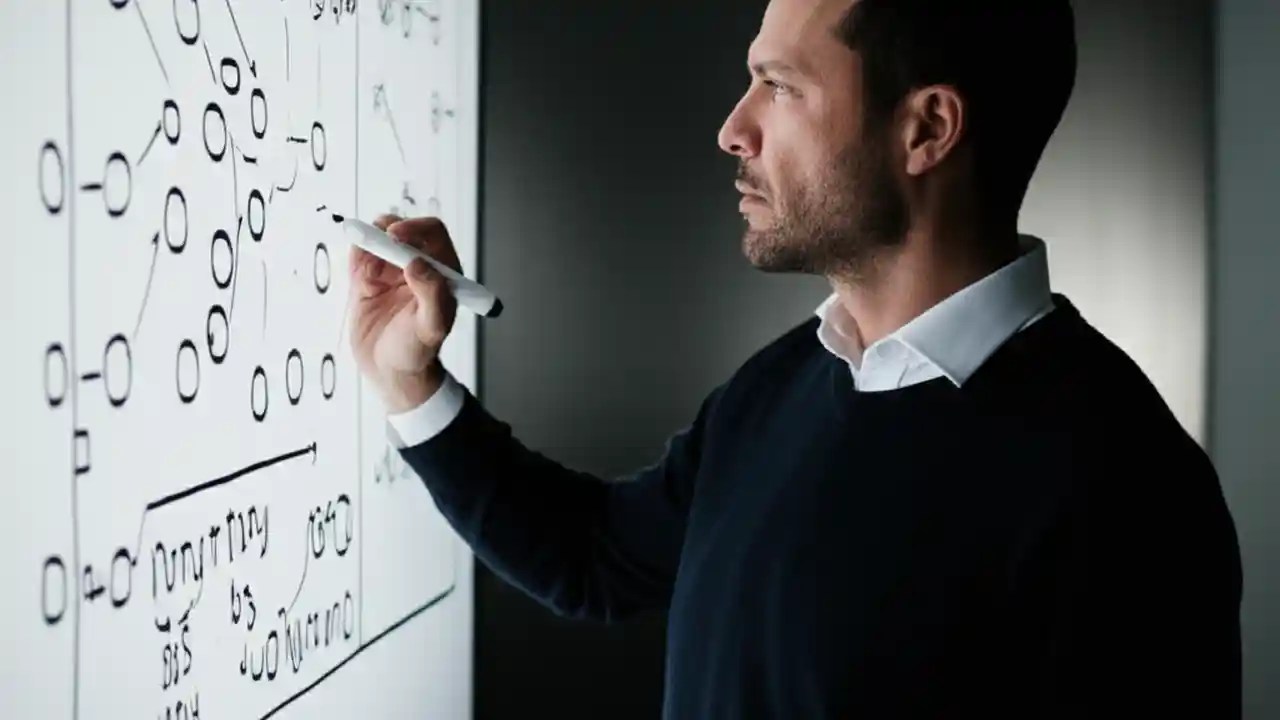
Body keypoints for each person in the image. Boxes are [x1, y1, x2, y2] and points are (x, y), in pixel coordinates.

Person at [348, 0, 1242, 717]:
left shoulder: (1127, 488)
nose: (734, 130)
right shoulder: (781, 385)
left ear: (927, 129)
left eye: (779, 86)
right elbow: (597, 559)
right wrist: (410, 382)